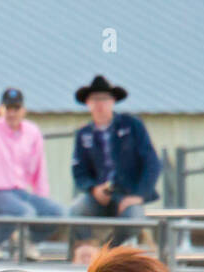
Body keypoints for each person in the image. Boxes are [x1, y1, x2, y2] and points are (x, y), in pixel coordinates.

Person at [0, 87, 64, 260]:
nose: (11, 113)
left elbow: (39, 167)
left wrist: (41, 196)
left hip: (20, 193)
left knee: (57, 213)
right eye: (8, 108)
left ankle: (28, 242)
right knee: (25, 213)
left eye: (15, 108)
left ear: (23, 110)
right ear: (1, 109)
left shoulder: (33, 133)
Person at [68, 75, 161, 247]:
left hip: (128, 193)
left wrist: (139, 195)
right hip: (100, 195)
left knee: (133, 219)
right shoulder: (84, 134)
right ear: (88, 103)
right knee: (75, 212)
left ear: (113, 101)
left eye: (104, 99)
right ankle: (86, 250)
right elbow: (78, 170)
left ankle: (110, 251)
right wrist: (94, 189)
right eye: (95, 99)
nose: (100, 104)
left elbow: (152, 163)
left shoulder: (132, 125)